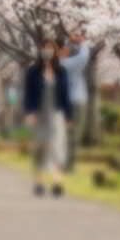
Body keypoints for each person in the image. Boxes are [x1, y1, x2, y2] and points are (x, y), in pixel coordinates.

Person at [24, 35, 73, 197]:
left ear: (55, 52)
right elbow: (28, 94)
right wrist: (29, 112)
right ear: (41, 51)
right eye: (45, 48)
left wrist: (69, 116)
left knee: (57, 147)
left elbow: (66, 94)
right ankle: (39, 182)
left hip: (57, 114)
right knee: (40, 148)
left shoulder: (62, 71)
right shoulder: (33, 71)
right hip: (39, 114)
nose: (48, 51)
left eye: (51, 48)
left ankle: (57, 182)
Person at [60, 32, 92, 171]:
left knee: (66, 133)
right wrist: (82, 42)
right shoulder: (67, 64)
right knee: (74, 134)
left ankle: (64, 162)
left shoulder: (58, 64)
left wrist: (73, 42)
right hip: (76, 101)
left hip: (65, 102)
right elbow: (84, 56)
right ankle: (69, 165)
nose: (67, 49)